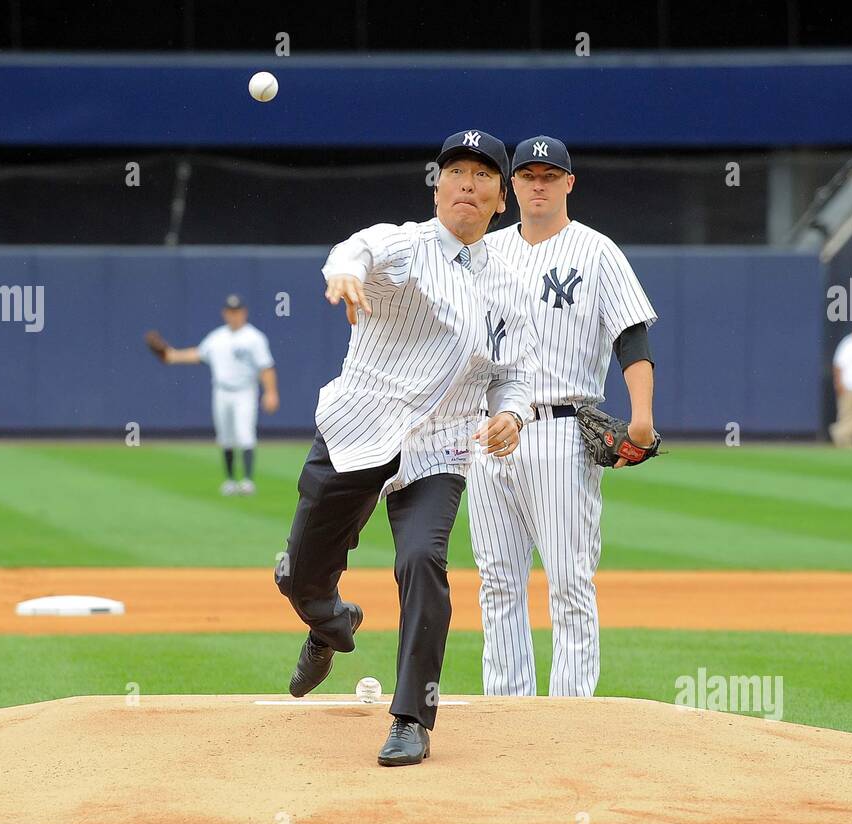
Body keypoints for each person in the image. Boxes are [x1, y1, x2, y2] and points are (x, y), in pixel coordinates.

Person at [274, 129, 540, 767]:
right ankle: (330, 621)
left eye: (482, 176)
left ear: (501, 199)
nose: (467, 185)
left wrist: (513, 414)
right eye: (456, 172)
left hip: (439, 447)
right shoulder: (409, 246)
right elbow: (357, 249)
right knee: (301, 573)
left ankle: (411, 719)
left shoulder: (513, 283)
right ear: (438, 184)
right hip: (359, 425)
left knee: (422, 561)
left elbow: (515, 373)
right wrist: (342, 274)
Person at [470, 136, 657, 698]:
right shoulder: (483, 251)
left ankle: (571, 715)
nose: (538, 183)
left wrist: (641, 417)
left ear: (569, 183)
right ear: (512, 187)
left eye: (549, 175)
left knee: (569, 582)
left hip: (561, 431)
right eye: (527, 175)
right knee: (498, 582)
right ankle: (508, 706)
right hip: (487, 432)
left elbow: (631, 336)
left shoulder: (598, 252)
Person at [146, 294, 279, 494]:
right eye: (230, 312)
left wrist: (270, 392)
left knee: (245, 434)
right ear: (225, 313)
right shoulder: (217, 337)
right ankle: (231, 481)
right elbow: (199, 353)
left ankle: (248, 481)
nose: (234, 315)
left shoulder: (254, 338)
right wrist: (171, 356)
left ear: (244, 312)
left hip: (245, 391)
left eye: (238, 311)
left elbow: (266, 367)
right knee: (225, 436)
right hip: (221, 391)